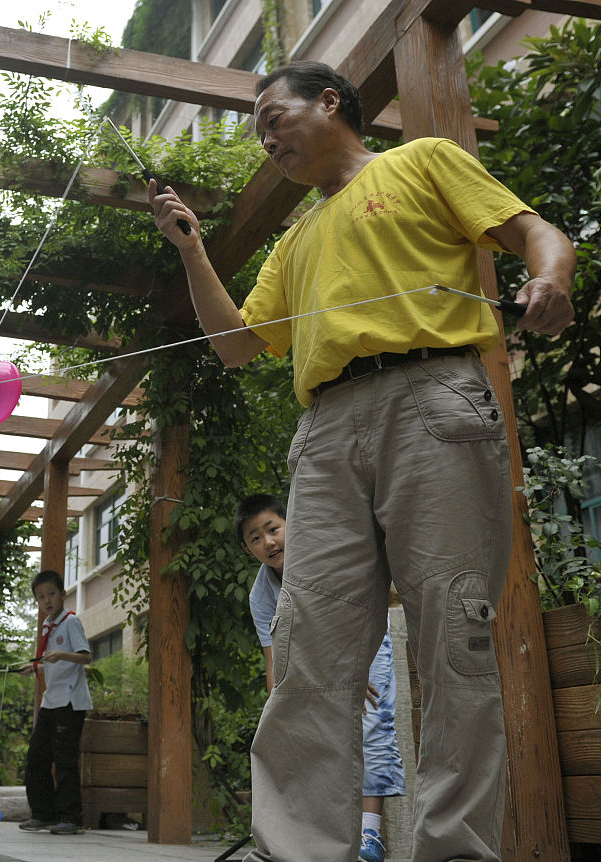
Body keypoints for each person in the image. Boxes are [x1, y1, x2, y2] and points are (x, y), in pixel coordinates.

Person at [149, 60, 575, 860]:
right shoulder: (296, 238)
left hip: (434, 399)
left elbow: (535, 233)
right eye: (256, 130)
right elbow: (239, 346)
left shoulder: (423, 161)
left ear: (331, 102)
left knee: (453, 637)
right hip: (325, 432)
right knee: (309, 649)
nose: (264, 135)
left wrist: (550, 277)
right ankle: (302, 852)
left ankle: (452, 851)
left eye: (274, 116)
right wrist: (191, 250)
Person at [236, 494, 404, 862]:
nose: (268, 542)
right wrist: (279, 710)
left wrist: (353, 673)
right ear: (249, 550)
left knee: (369, 722)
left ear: (291, 524)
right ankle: (317, 832)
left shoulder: (322, 558)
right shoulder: (261, 595)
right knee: (303, 735)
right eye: (255, 538)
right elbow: (274, 660)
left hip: (362, 640)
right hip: (311, 660)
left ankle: (370, 835)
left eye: (273, 529)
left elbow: (360, 612)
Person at [19, 569, 92, 836]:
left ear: (62, 594)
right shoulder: (47, 626)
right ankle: (43, 814)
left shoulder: (71, 622)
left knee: (64, 760)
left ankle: (71, 818)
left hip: (70, 702)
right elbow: (52, 665)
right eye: (41, 597)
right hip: (51, 702)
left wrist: (61, 654)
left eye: (51, 594)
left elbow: (85, 657)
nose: (47, 600)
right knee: (37, 758)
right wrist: (35, 668)